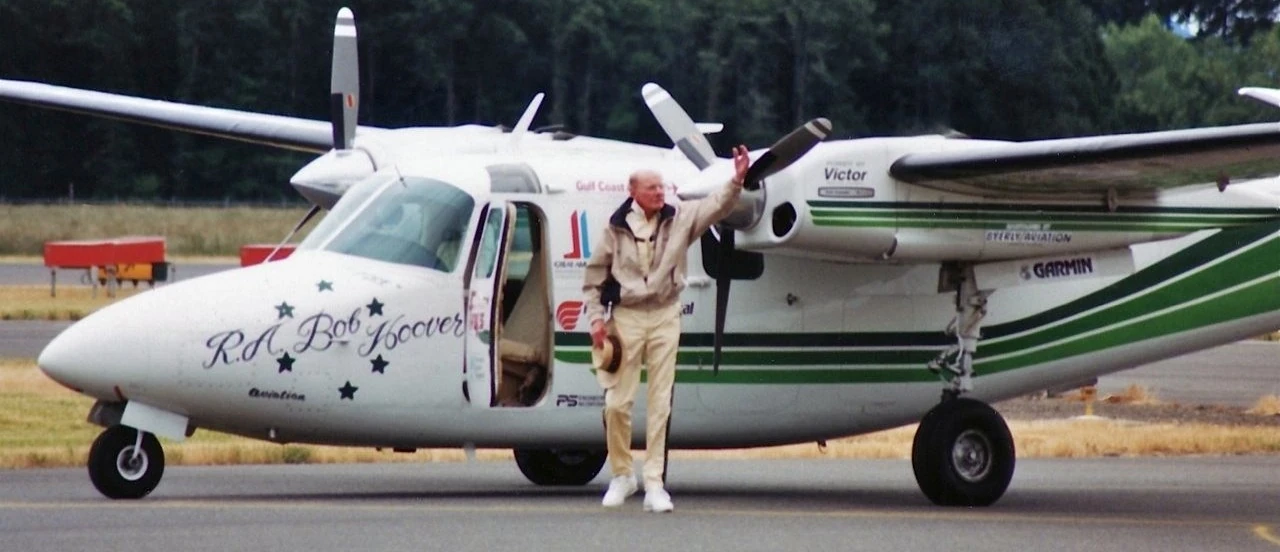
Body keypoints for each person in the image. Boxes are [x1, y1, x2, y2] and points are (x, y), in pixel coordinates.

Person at [582, 145, 751, 512]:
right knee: (616, 403)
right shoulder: (614, 229)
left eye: (662, 187)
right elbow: (593, 278)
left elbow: (716, 207)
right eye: (652, 188)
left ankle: (655, 482)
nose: (661, 193)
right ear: (634, 193)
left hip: (664, 314)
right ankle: (622, 475)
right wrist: (596, 320)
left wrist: (736, 180)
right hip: (624, 317)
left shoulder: (681, 218)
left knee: (660, 402)